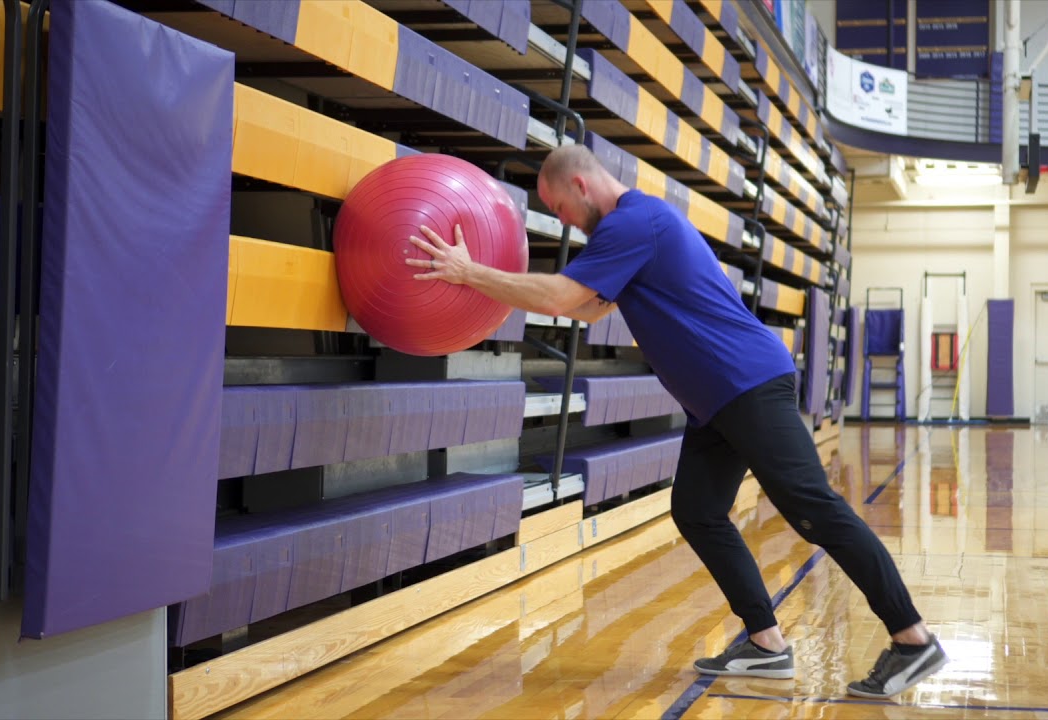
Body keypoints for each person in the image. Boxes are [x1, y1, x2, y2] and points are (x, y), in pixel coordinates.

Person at [405, 145, 947, 698]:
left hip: (746, 384)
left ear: (582, 187)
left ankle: (912, 639)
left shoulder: (633, 222)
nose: (561, 219)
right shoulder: (635, 228)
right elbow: (592, 306)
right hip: (715, 401)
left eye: (559, 205)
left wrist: (468, 272)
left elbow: (564, 298)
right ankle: (765, 644)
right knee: (697, 511)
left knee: (815, 510)